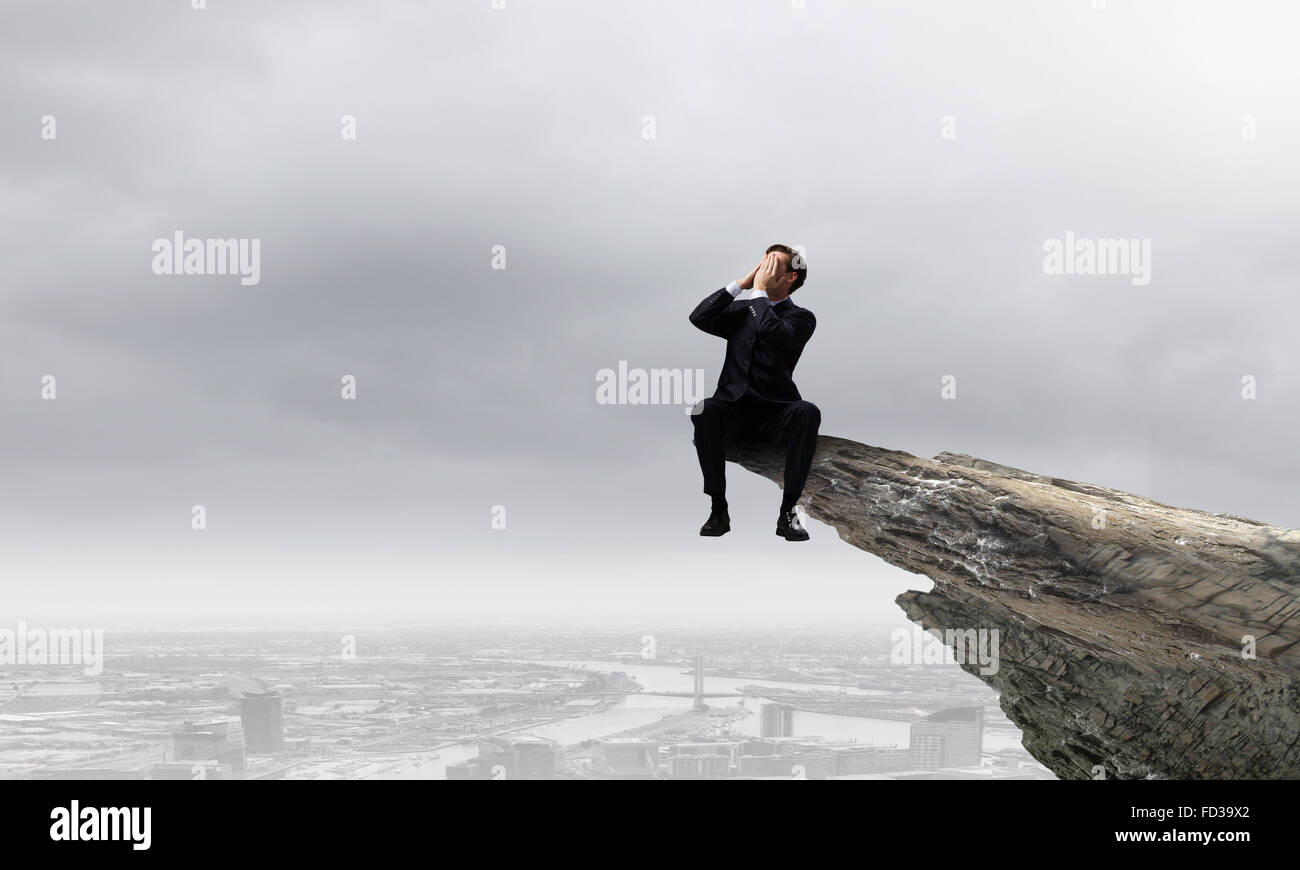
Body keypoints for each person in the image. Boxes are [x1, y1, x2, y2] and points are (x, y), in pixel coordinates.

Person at [688, 245, 820, 541]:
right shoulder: (742, 310)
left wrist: (759, 293)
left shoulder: (802, 318)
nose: (764, 269)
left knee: (808, 412)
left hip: (774, 415)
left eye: (773, 265)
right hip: (733, 411)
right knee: (702, 408)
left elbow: (772, 330)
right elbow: (699, 317)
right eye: (763, 262)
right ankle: (717, 508)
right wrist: (742, 285)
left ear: (790, 278)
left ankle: (788, 512)